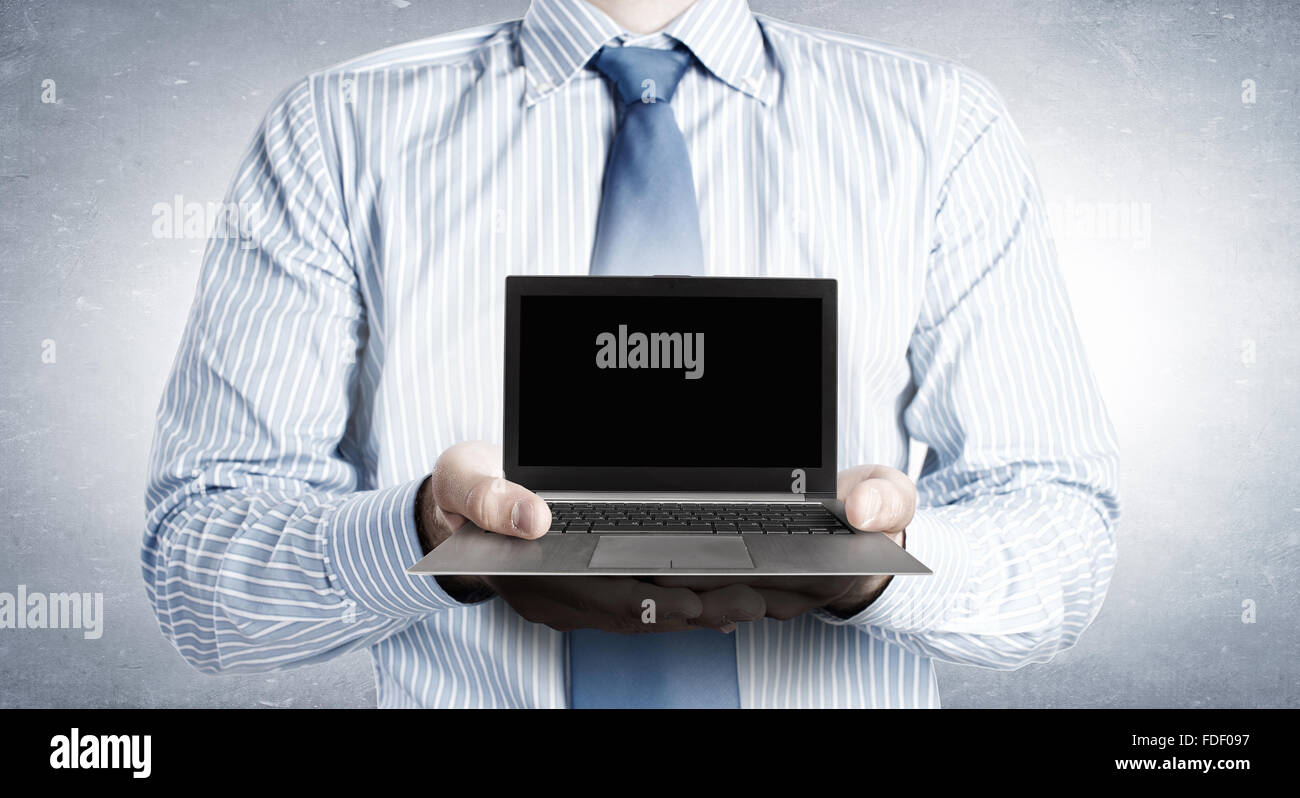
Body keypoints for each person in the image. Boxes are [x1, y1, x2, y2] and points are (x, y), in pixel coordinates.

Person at [143, 0, 1119, 708]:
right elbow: (201, 584)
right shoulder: (338, 131)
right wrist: (424, 537)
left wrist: (880, 566)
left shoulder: (937, 126)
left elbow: (1059, 547)